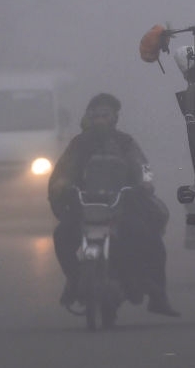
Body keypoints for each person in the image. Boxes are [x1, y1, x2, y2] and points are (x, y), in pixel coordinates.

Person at [48, 92, 180, 317]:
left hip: (123, 205)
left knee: (150, 239)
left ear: (114, 118)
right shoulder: (78, 144)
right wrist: (62, 185)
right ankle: (74, 280)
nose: (100, 119)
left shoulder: (126, 142)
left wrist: (145, 183)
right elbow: (63, 171)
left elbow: (143, 167)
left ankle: (157, 295)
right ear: (89, 117)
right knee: (61, 236)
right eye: (96, 115)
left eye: (105, 115)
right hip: (84, 207)